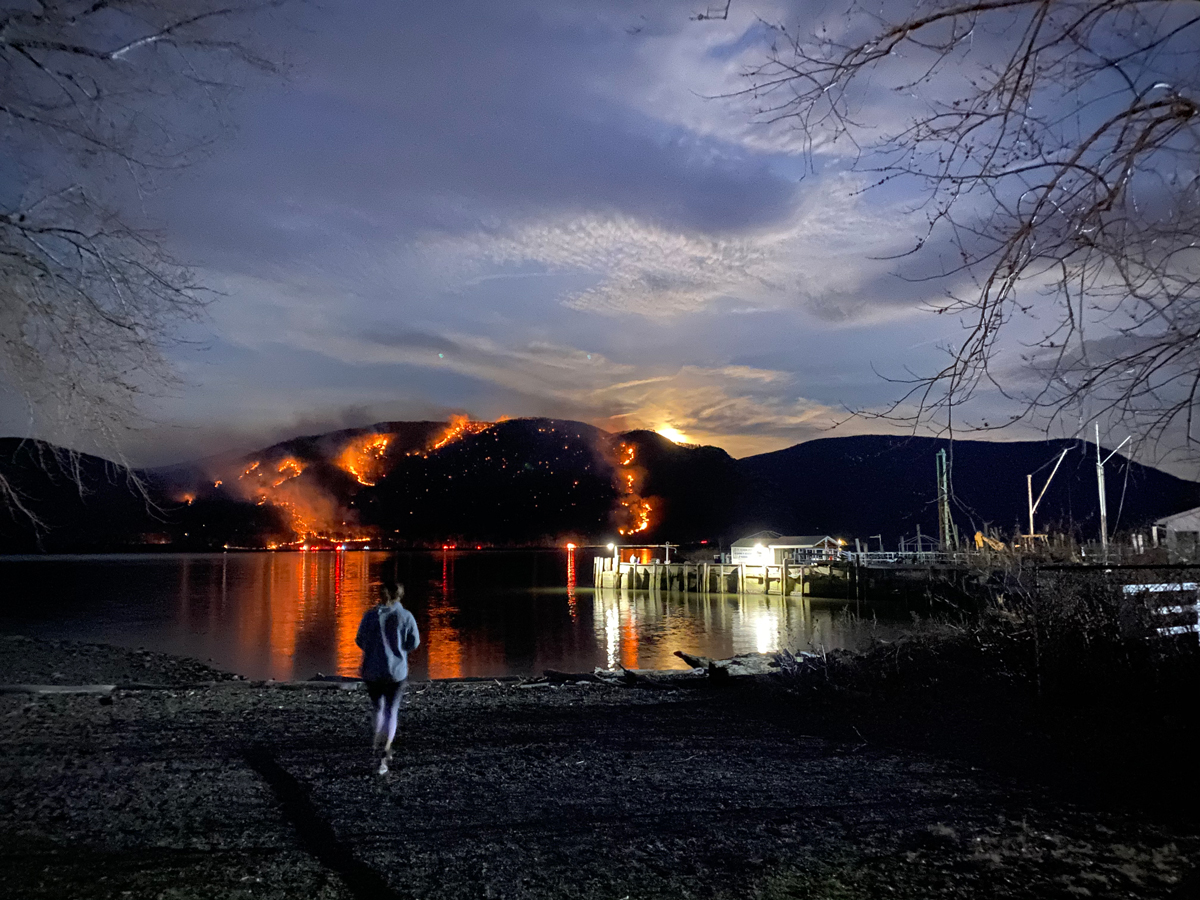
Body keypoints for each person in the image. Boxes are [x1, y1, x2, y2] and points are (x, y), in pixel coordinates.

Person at [355, 580, 420, 775]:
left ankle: (376, 745)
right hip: (396, 671)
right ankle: (386, 749)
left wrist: (373, 651)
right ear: (399, 595)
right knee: (392, 709)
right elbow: (414, 642)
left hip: (372, 670)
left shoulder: (370, 616)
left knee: (378, 707)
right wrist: (399, 651)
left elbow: (359, 639)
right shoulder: (406, 616)